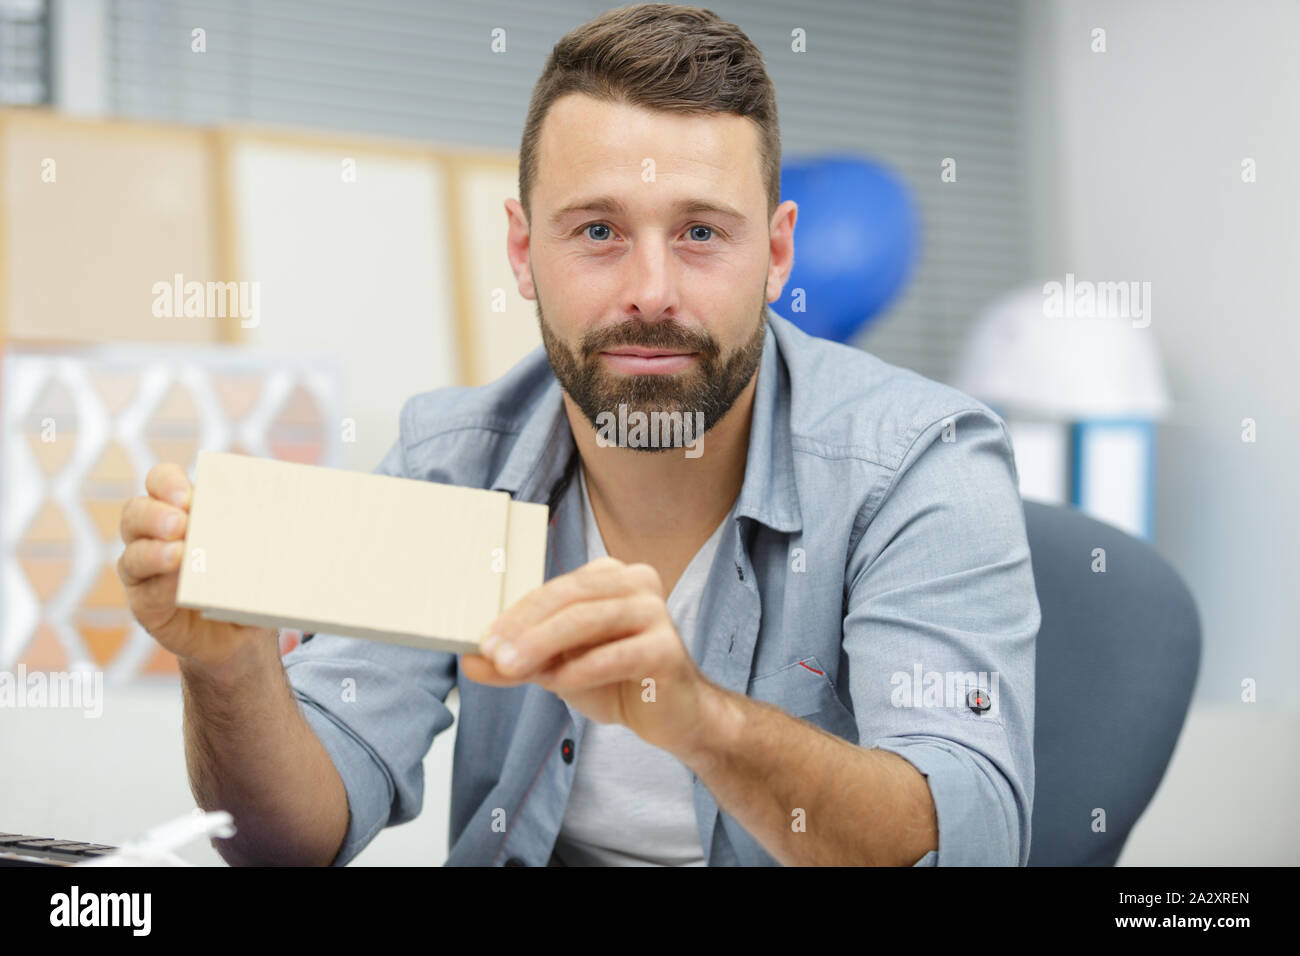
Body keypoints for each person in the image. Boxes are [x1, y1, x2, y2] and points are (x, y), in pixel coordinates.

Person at [117, 3, 1039, 867]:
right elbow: (293, 844)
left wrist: (699, 720)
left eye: (701, 234)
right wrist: (230, 671)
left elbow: (972, 830)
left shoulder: (923, 459)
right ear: (522, 250)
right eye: (598, 229)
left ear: (778, 252)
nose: (650, 289)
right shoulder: (453, 459)